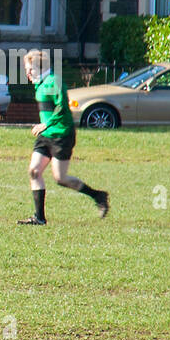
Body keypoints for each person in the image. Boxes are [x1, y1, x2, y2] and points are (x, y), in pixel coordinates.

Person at [19, 50, 108, 225]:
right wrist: (45, 127)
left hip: (62, 135)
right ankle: (39, 218)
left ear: (42, 67)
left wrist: (46, 124)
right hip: (46, 136)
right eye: (27, 69)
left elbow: (62, 108)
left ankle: (98, 195)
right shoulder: (40, 83)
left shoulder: (53, 81)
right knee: (34, 171)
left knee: (61, 178)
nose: (28, 73)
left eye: (31, 69)